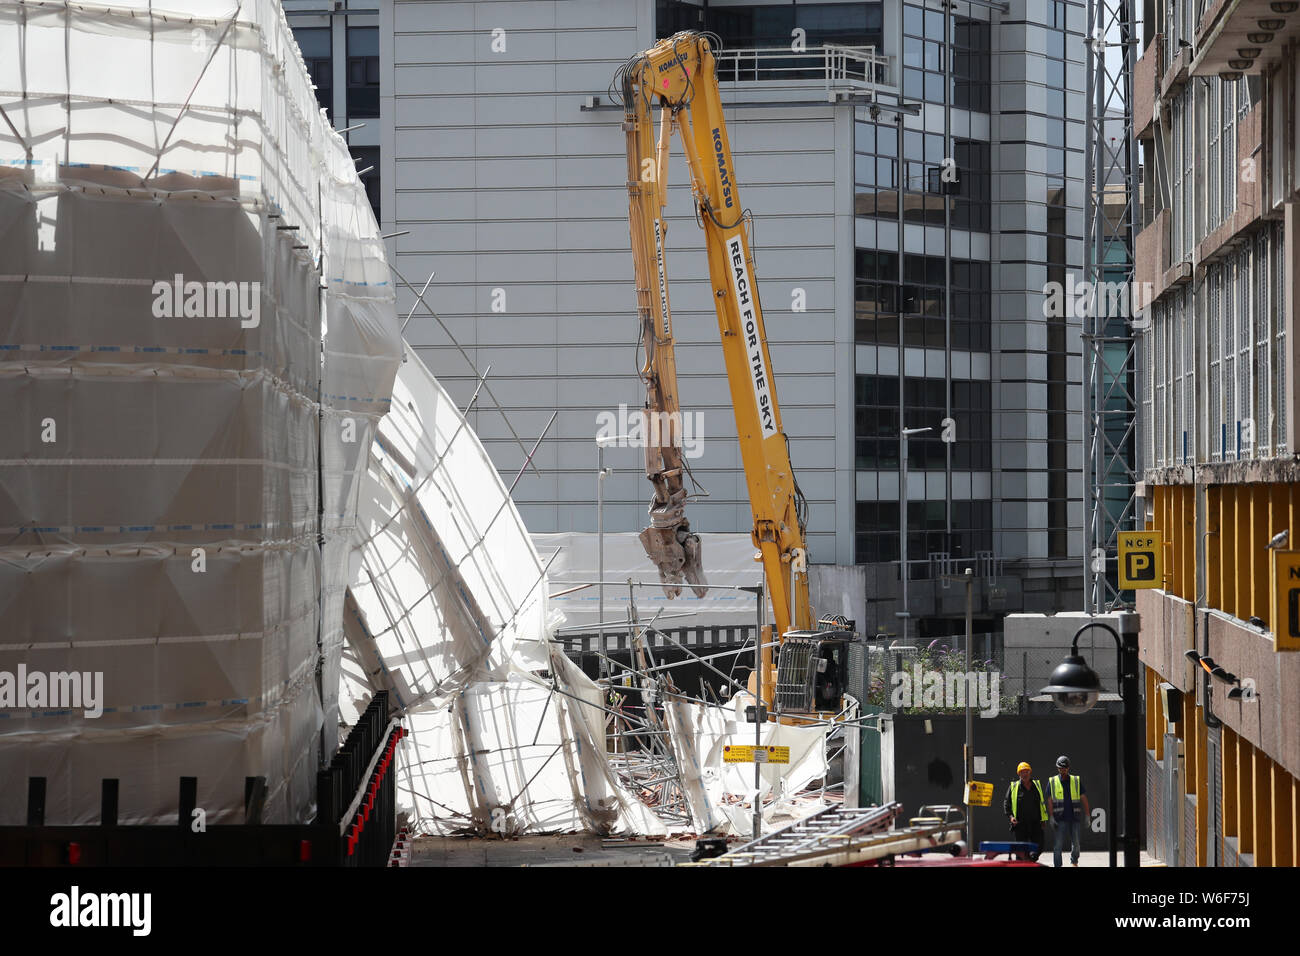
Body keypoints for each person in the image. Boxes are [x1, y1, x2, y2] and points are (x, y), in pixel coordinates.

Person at [1046, 754, 1090, 867]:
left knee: (1076, 845)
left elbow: (1083, 798)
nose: (1062, 770)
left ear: (1068, 768)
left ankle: (1074, 862)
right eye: (1060, 768)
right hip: (1060, 819)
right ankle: (1057, 865)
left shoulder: (1075, 780)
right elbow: (1050, 800)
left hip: (1074, 818)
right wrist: (1051, 817)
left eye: (1064, 768)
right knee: (1058, 846)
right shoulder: (1052, 781)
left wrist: (1087, 815)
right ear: (1057, 768)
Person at [1002, 761, 1046, 861]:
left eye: (1026, 771)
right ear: (1019, 774)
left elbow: (1041, 804)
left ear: (1030, 772)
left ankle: (1031, 860)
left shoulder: (1036, 786)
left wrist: (1043, 820)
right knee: (1020, 851)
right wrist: (1011, 817)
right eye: (1022, 772)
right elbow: (1006, 804)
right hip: (1020, 824)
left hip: (1035, 823)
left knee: (1039, 846)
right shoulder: (1013, 787)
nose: (1024, 774)